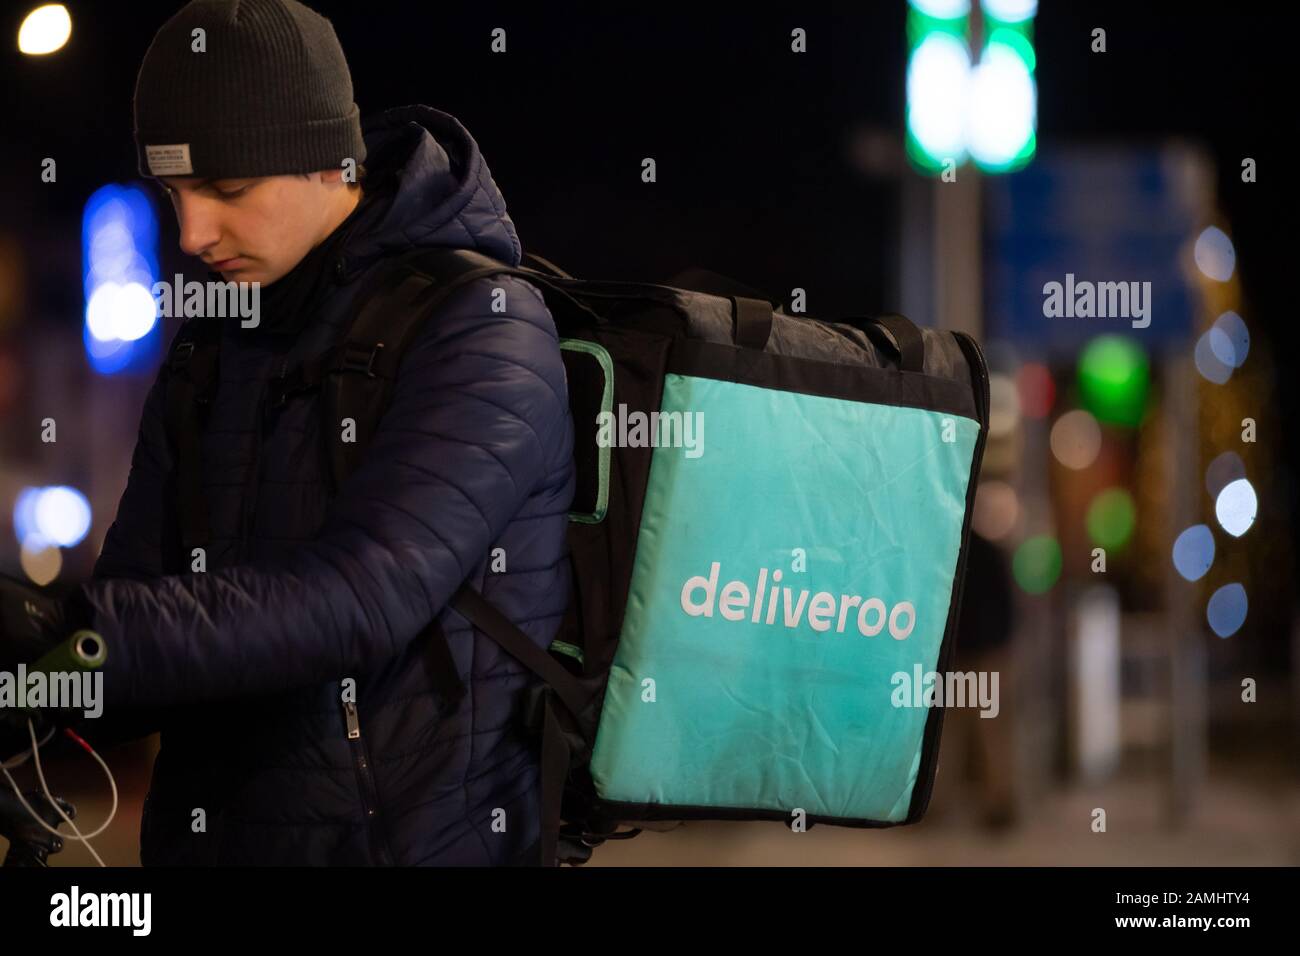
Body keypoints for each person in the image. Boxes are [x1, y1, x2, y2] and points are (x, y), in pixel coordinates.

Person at [0, 0, 575, 866]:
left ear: (327, 162)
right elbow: (144, 622)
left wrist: (82, 636)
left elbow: (359, 599)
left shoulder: (484, 326)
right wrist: (33, 679)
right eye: (173, 194)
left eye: (226, 190)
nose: (192, 233)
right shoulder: (212, 345)